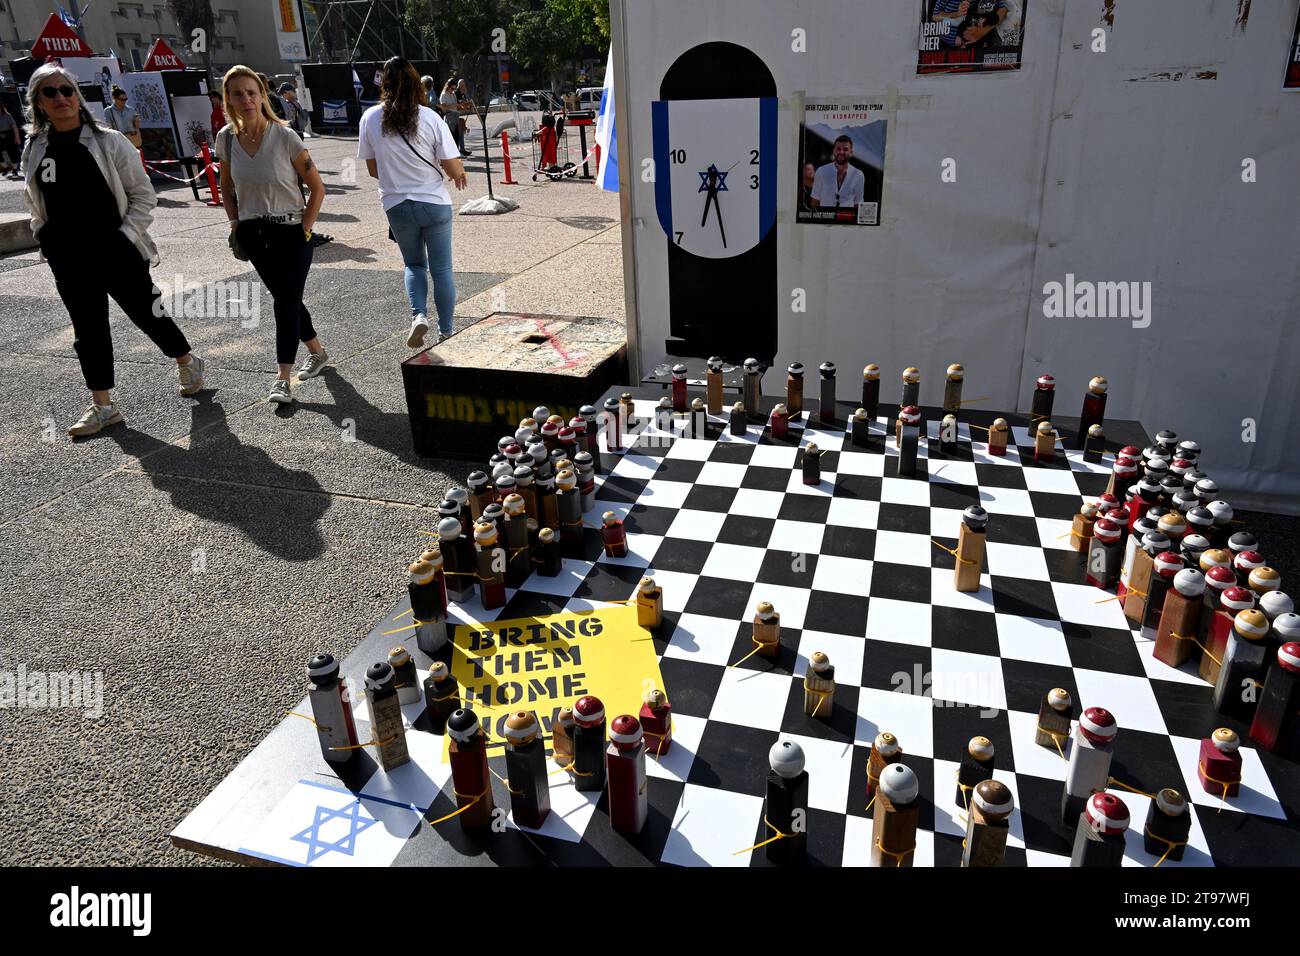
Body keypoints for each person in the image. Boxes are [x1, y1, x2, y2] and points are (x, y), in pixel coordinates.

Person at [21, 64, 204, 436]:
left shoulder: (108, 141)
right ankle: (103, 406)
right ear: (38, 103)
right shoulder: (36, 147)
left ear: (78, 96)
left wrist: (124, 238)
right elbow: (36, 198)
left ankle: (186, 359)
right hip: (66, 255)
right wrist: (43, 235)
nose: (61, 98)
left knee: (147, 314)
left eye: (66, 90)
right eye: (50, 93)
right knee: (88, 329)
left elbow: (142, 195)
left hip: (116, 249)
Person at [217, 65, 328, 405]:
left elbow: (317, 188)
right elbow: (226, 187)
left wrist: (305, 228)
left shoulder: (285, 136)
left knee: (284, 302)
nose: (246, 99)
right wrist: (236, 224)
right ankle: (318, 353)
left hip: (291, 231)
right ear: (229, 99)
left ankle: (282, 377)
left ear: (262, 96)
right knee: (287, 297)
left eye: (252, 92)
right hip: (254, 234)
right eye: (238, 93)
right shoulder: (226, 139)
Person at [358, 56, 467, 347]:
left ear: (385, 84)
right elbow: (452, 166)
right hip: (433, 203)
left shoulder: (369, 118)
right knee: (442, 269)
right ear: (416, 83)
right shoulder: (431, 117)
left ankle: (418, 315)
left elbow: (372, 170)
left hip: (396, 205)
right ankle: (446, 331)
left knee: (414, 265)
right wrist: (459, 173)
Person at [810, 135, 865, 209]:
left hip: (847, 219)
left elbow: (858, 204)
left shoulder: (858, 175)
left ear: (851, 152)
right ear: (834, 151)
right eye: (838, 149)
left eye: (845, 149)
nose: (841, 152)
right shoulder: (821, 171)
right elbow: (815, 201)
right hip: (825, 219)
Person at [0, 101, 21, 178]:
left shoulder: (7, 115)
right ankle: (6, 167)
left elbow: (14, 126)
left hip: (9, 135)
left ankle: (14, 170)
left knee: (13, 153)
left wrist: (17, 137)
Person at [439, 79, 461, 152]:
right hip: (449, 116)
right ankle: (451, 153)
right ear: (448, 87)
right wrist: (454, 105)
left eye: (455, 88)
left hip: (456, 115)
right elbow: (443, 108)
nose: (453, 90)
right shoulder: (444, 95)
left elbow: (455, 106)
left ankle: (456, 151)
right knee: (451, 135)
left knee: (457, 135)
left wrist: (460, 105)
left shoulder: (454, 94)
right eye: (452, 88)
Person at [455, 79, 474, 158]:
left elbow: (465, 106)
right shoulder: (456, 93)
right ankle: (459, 150)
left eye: (464, 85)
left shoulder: (463, 94)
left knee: (461, 131)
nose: (463, 87)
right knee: (458, 133)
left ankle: (462, 149)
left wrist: (468, 105)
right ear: (458, 86)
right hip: (452, 116)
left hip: (457, 115)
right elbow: (461, 105)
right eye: (461, 85)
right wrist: (467, 105)